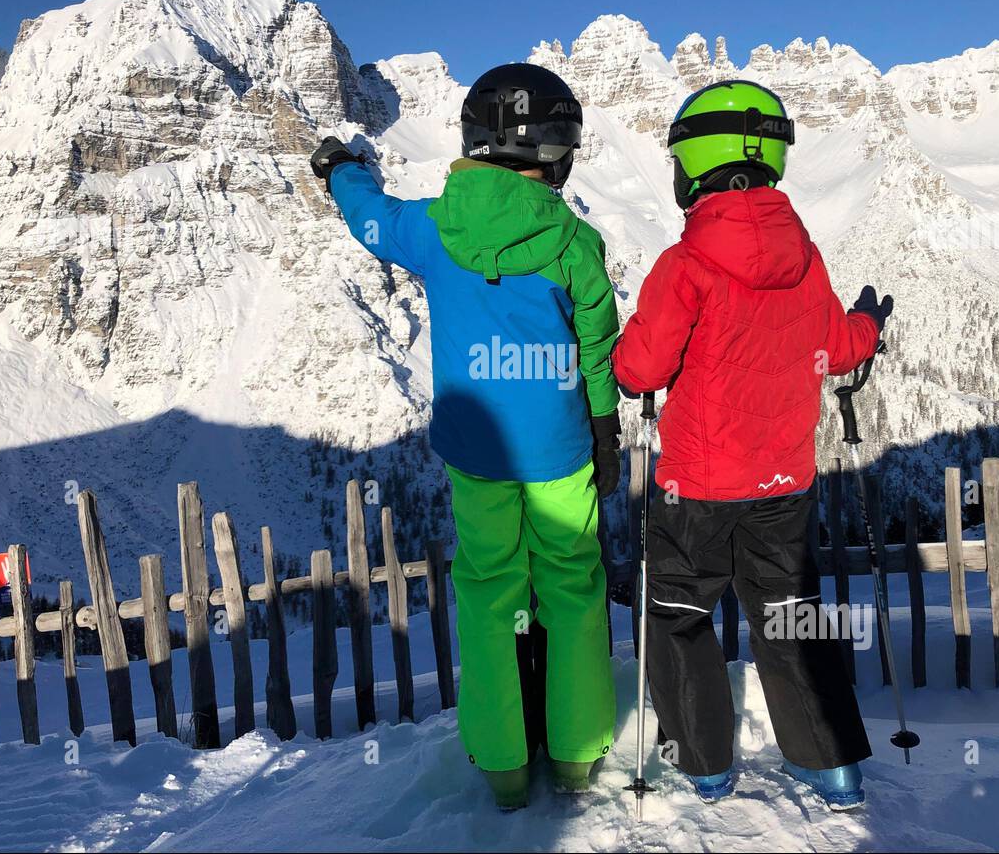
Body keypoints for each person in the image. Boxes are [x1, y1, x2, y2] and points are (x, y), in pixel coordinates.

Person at [309, 64, 619, 811]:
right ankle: (577, 756)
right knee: (571, 589)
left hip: (477, 456)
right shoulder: (574, 241)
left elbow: (370, 218)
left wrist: (342, 171)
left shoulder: (434, 227)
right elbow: (599, 339)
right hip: (559, 452)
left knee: (489, 593)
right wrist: (604, 421)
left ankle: (505, 766)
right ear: (554, 153)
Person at [612, 79, 893, 810]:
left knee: (678, 615)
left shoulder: (687, 265)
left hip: (696, 490)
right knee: (791, 615)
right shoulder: (805, 259)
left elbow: (639, 368)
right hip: (785, 484)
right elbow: (838, 346)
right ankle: (831, 765)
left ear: (696, 162)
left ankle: (705, 764)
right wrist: (868, 323)